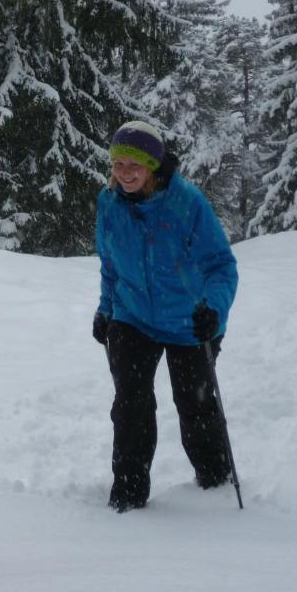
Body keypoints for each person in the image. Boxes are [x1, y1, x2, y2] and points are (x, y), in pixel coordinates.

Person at [92, 121, 238, 513]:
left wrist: (213, 308)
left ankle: (214, 481)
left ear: (153, 166)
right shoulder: (108, 202)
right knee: (131, 405)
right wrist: (106, 308)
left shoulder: (186, 203)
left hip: (188, 321)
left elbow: (221, 266)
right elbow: (109, 265)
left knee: (195, 404)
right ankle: (127, 496)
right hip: (132, 316)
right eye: (118, 163)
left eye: (134, 164)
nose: (125, 173)